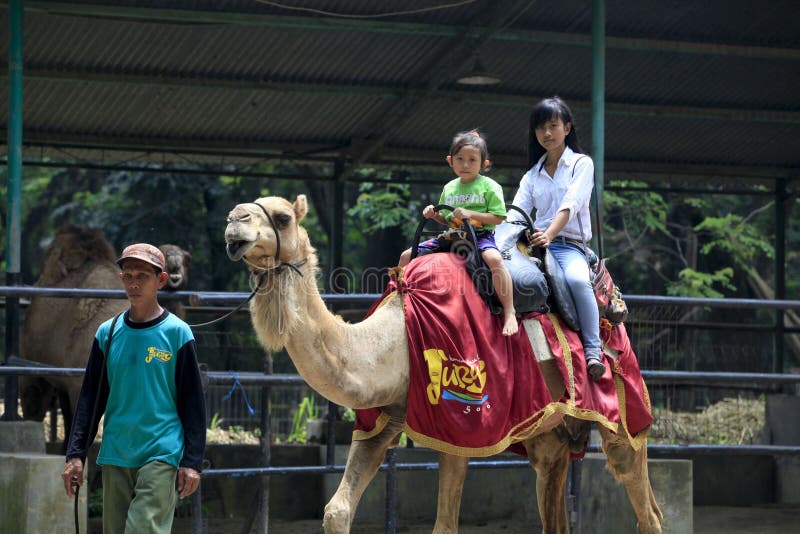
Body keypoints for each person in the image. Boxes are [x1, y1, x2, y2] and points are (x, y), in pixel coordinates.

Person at [61, 243, 206, 533]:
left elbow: (193, 402)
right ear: (121, 280)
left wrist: (192, 460)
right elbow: (91, 398)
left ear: (160, 280)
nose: (134, 283)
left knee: (143, 529)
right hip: (117, 451)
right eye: (128, 275)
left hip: (161, 451)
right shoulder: (108, 333)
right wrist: (75, 454)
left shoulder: (178, 333)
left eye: (143, 276)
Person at [508, 96, 606, 381]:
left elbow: (571, 204)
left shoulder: (581, 164)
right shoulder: (532, 174)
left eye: (553, 126)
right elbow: (516, 214)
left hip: (567, 246)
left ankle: (592, 350)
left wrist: (549, 235)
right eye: (540, 128)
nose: (546, 133)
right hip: (534, 246)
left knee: (577, 280)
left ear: (567, 128)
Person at [399, 130, 518, 336]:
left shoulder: (490, 186)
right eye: (460, 159)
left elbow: (498, 218)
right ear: (450, 161)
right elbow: (447, 219)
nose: (465, 165)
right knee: (406, 256)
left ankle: (509, 311)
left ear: (484, 164)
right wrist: (433, 214)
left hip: (480, 236)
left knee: (494, 259)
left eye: (472, 160)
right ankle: (396, 300)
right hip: (451, 234)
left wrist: (471, 213)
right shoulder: (450, 187)